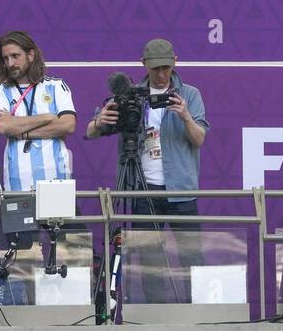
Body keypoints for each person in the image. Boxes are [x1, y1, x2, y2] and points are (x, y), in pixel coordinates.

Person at [85, 38, 208, 301]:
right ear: (144, 65)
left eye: (166, 67)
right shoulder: (131, 94)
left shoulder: (190, 94)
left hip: (181, 191)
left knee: (192, 260)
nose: (162, 74)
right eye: (156, 69)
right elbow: (91, 131)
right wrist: (99, 121)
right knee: (150, 262)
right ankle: (156, 317)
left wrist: (185, 116)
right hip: (143, 190)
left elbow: (199, 139)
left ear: (175, 61)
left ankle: (198, 318)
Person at [0, 31, 76, 191]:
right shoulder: (1, 90)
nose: (10, 63)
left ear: (31, 55)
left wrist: (20, 131)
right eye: (5, 58)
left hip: (56, 180)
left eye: (15, 56)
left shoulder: (56, 85)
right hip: (17, 181)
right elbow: (1, 126)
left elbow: (68, 125)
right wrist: (47, 117)